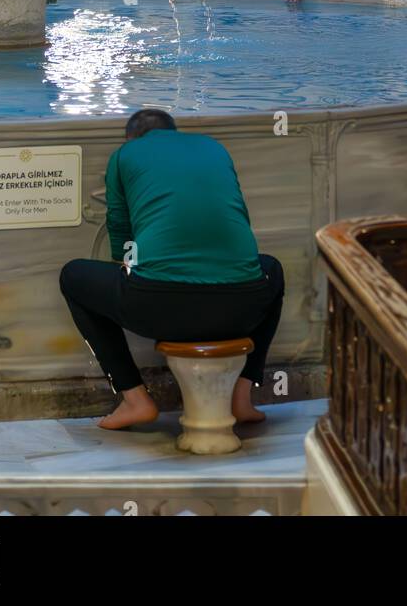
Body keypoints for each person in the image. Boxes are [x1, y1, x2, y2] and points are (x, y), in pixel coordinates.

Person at [59, 109, 284, 429]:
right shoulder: (214, 148)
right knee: (272, 268)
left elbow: (121, 234)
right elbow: (237, 217)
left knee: (73, 276)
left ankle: (134, 398)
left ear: (131, 138)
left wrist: (132, 270)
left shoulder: (125, 155)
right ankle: (242, 395)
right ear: (173, 132)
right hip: (242, 308)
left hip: (159, 308)